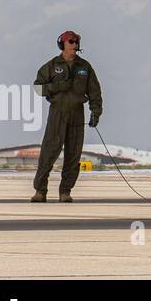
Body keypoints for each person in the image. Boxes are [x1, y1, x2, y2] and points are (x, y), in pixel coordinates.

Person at [30, 30, 103, 203]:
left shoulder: (85, 67)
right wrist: (57, 87)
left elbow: (95, 91)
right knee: (49, 152)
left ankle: (65, 191)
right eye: (71, 41)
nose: (75, 45)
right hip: (57, 113)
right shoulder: (51, 66)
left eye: (76, 42)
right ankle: (40, 191)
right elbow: (37, 88)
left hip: (77, 114)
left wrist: (96, 111)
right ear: (62, 44)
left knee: (73, 154)